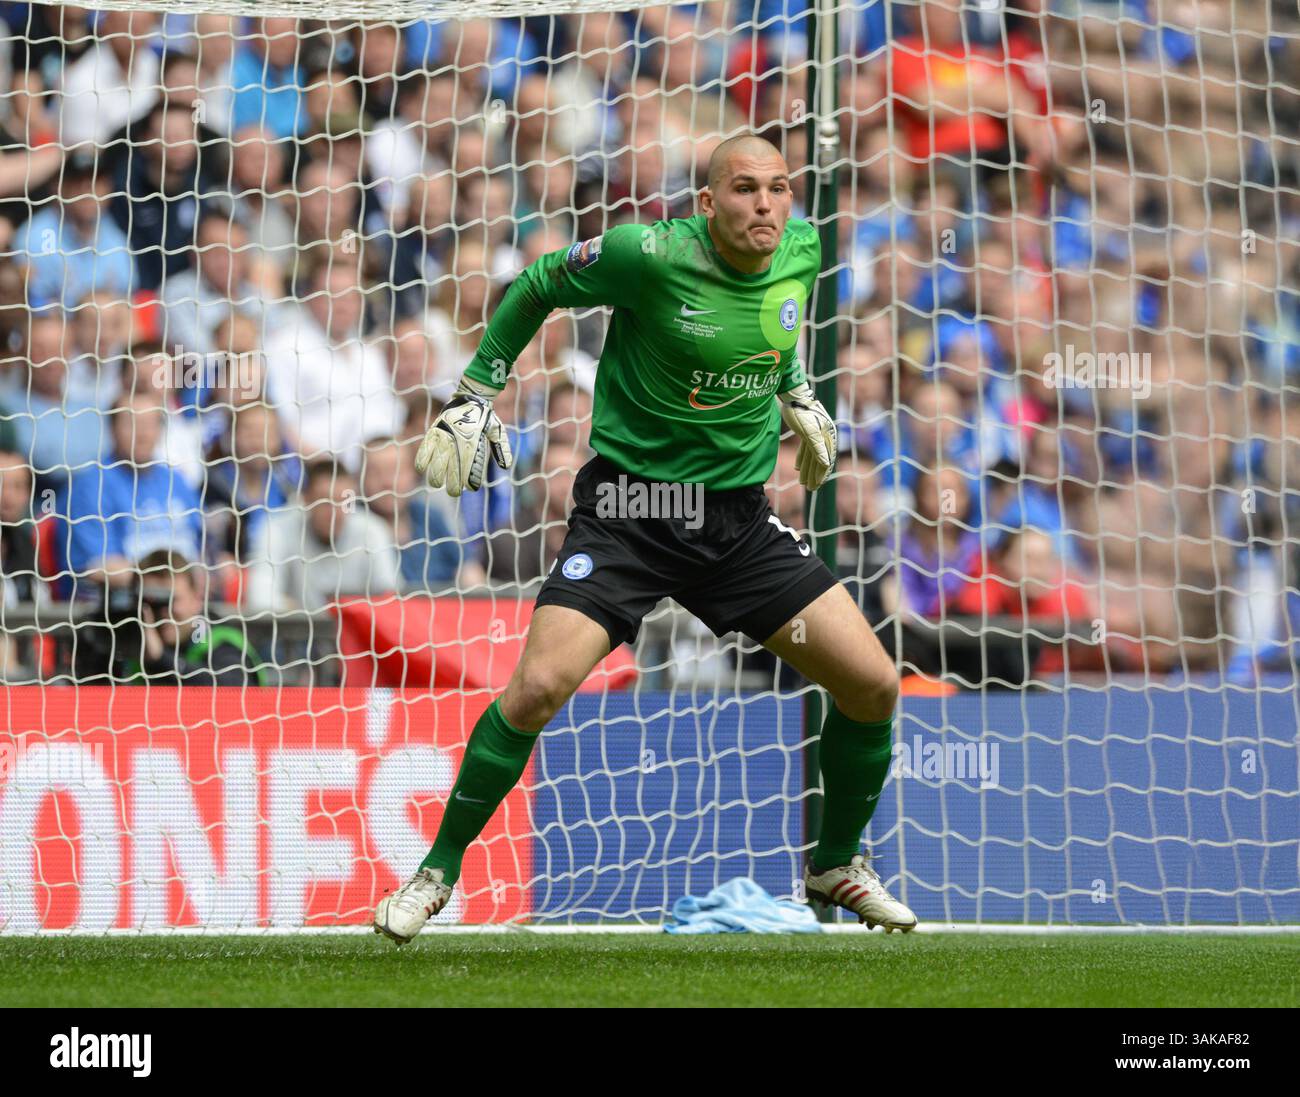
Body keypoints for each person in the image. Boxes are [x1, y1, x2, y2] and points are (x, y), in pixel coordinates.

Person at [374, 132, 913, 944]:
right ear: (706, 202)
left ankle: (834, 862)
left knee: (873, 684)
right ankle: (438, 869)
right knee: (537, 689)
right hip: (626, 514)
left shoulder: (802, 244)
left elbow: (776, 322)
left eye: (777, 187)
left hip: (734, 523)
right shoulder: (647, 253)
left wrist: (795, 388)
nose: (765, 203)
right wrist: (478, 389)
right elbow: (540, 282)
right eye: (744, 188)